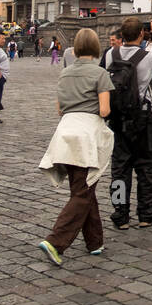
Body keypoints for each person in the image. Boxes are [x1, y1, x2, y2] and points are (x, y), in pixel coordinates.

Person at [38, 28, 115, 265]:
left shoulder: (65, 73)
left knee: (83, 187)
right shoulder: (100, 73)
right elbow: (104, 110)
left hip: (65, 131)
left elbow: (60, 108)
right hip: (86, 134)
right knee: (82, 192)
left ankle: (95, 241)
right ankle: (56, 240)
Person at [104, 16, 152, 230]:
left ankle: (120, 214)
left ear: (121, 35)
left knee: (119, 169)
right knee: (146, 168)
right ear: (142, 34)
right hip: (143, 117)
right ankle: (146, 214)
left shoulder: (110, 54)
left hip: (118, 118)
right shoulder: (149, 57)